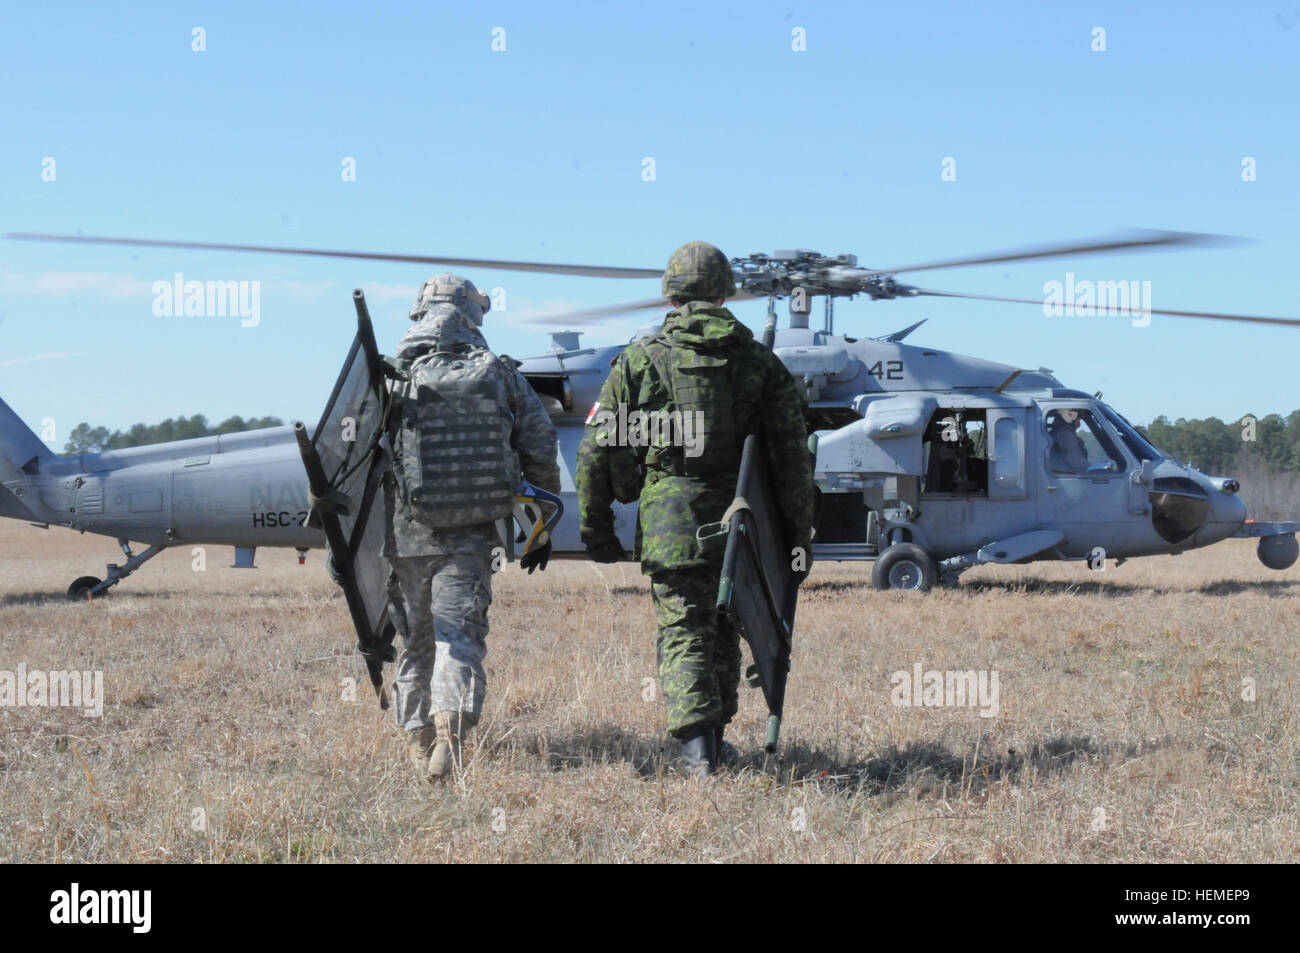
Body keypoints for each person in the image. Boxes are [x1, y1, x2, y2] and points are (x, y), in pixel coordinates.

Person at [576, 241, 815, 778]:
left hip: (669, 525)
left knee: (685, 630)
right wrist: (798, 535)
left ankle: (699, 751)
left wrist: (596, 533)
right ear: (726, 291)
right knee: (727, 626)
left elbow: (595, 453)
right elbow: (792, 461)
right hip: (742, 523)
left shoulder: (638, 361)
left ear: (671, 293)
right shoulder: (759, 364)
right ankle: (712, 740)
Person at [385, 274, 560, 782]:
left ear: (421, 310)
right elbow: (541, 445)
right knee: (458, 637)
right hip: (474, 535)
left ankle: (419, 740)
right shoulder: (499, 374)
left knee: (416, 642)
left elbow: (352, 459)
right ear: (473, 314)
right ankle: (450, 737)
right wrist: (539, 519)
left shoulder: (393, 375)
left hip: (407, 533)